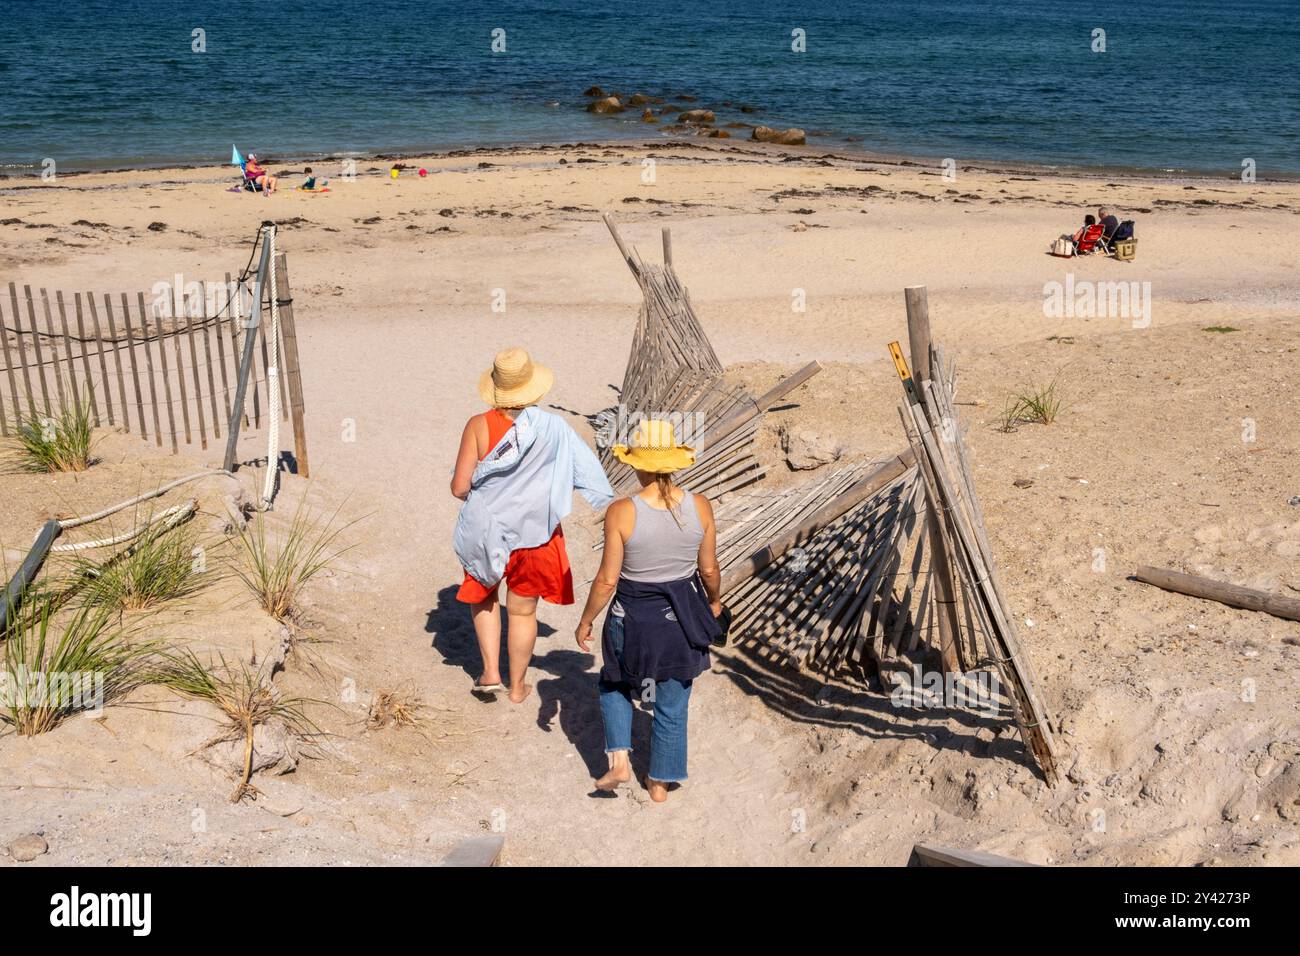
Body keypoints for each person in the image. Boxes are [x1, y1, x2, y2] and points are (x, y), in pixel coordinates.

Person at [452, 347, 613, 704]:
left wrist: (494, 499)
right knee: (523, 611)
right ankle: (517, 687)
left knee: (484, 597)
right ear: (533, 388)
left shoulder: (478, 426)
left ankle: (491, 671)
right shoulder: (554, 428)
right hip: (536, 535)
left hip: (487, 530)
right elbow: (586, 473)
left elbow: (460, 487)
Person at [575, 419, 722, 803]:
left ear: (637, 464)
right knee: (672, 701)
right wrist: (713, 600)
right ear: (674, 463)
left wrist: (587, 619)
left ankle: (620, 759)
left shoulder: (622, 511)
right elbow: (708, 568)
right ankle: (659, 783)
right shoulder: (700, 506)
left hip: (632, 618)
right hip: (679, 620)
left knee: (615, 682)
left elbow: (607, 580)